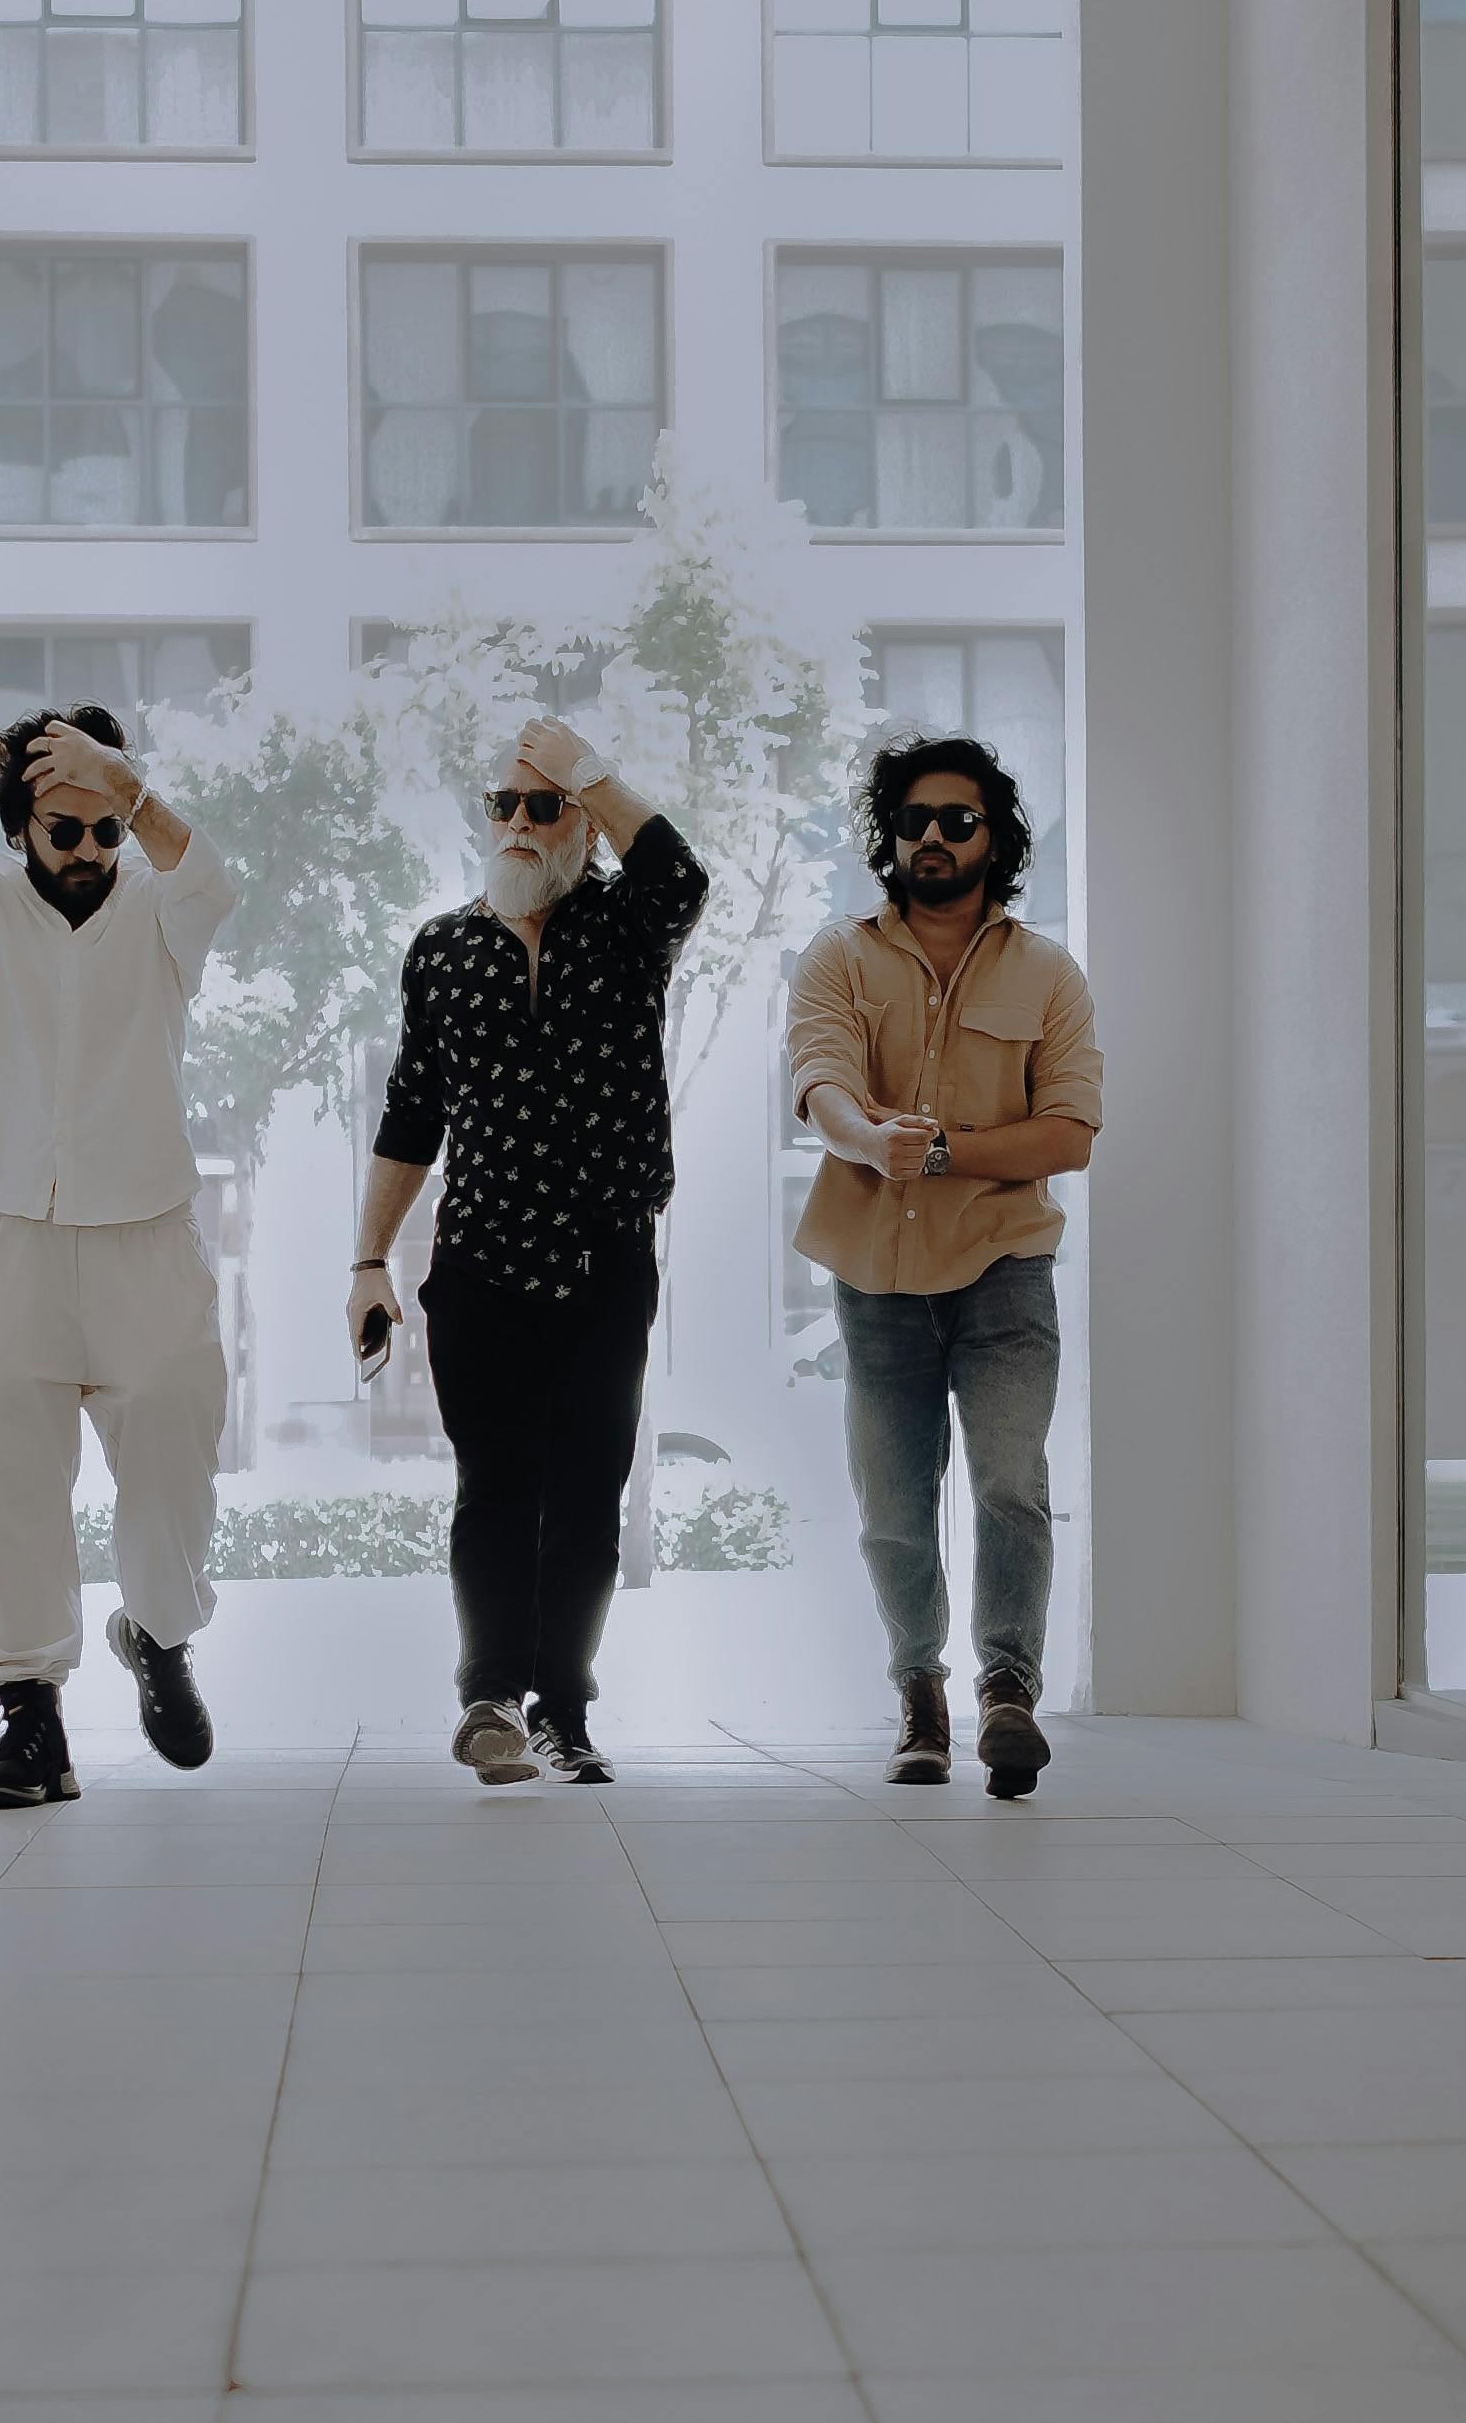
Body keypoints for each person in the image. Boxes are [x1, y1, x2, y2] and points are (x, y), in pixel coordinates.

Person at [0, 705, 231, 1809]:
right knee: (12, 1486)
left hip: (147, 1243)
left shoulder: (167, 915)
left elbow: (214, 875)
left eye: (106, 829)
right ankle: (29, 1714)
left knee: (171, 1473)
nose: (88, 854)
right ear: (20, 828)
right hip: (14, 1239)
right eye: (62, 831)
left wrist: (129, 785)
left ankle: (156, 1637)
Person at [347, 716, 708, 1788]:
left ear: (581, 827)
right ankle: (489, 1701)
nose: (512, 822)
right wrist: (366, 1261)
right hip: (481, 1267)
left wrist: (590, 772)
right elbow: (411, 1116)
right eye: (499, 804)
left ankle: (564, 1709)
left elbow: (677, 874)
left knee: (587, 1497)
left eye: (538, 805)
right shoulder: (443, 950)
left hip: (604, 1262)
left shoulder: (627, 928)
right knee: (493, 1486)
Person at [785, 733, 1101, 1796]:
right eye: (913, 819)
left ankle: (1006, 1691)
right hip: (872, 1276)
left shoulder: (1049, 974)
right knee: (890, 1507)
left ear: (993, 838)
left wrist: (937, 1152)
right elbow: (821, 1080)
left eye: (955, 820)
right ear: (891, 836)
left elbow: (1067, 1133)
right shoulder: (836, 956)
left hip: (1004, 1265)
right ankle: (917, 1695)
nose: (930, 836)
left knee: (1010, 1481)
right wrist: (859, 1139)